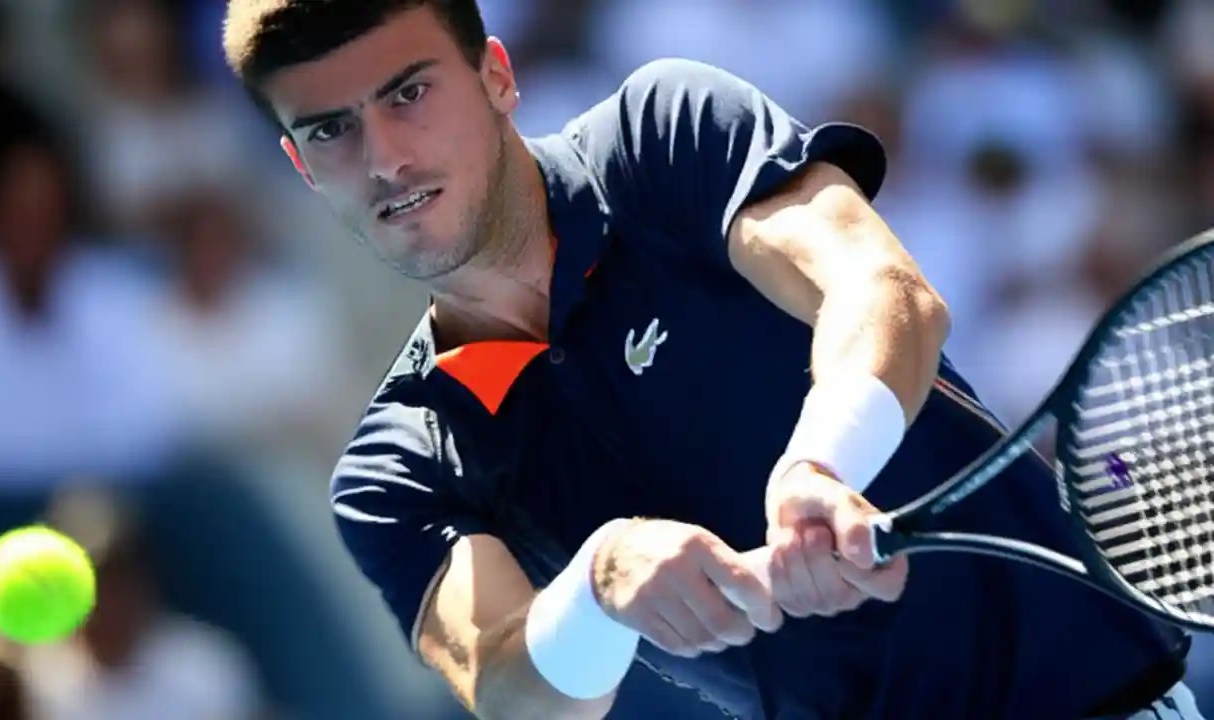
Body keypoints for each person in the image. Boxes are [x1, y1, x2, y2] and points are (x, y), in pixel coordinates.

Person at [220, 2, 1201, 718]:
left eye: (408, 93)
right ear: (301, 168)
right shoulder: (397, 469)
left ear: (497, 78)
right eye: (330, 130)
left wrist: (820, 467)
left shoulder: (659, 137)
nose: (384, 158)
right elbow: (512, 688)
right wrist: (601, 580)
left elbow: (881, 291)